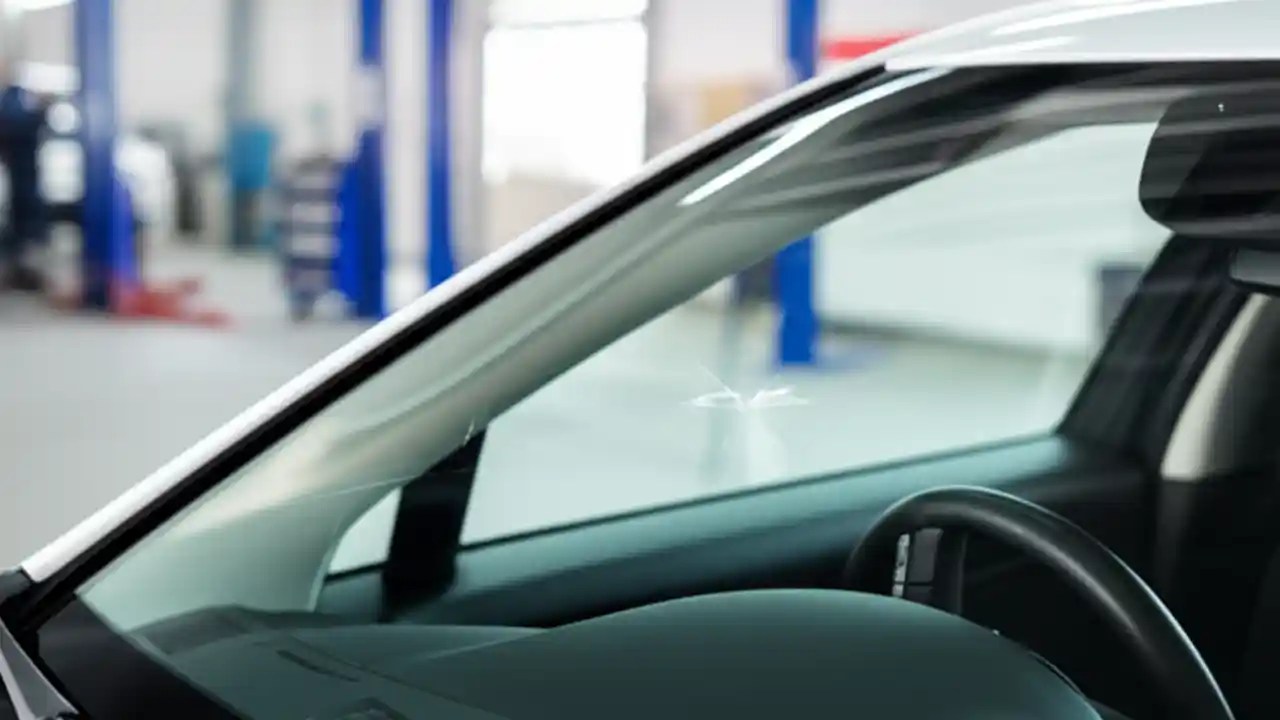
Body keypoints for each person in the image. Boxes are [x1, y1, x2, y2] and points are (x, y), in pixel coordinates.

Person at [0, 81, 49, 291]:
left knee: (25, 227)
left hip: (22, 182)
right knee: (25, 225)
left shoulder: (15, 105)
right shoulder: (14, 107)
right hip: (21, 183)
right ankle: (22, 272)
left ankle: (24, 272)